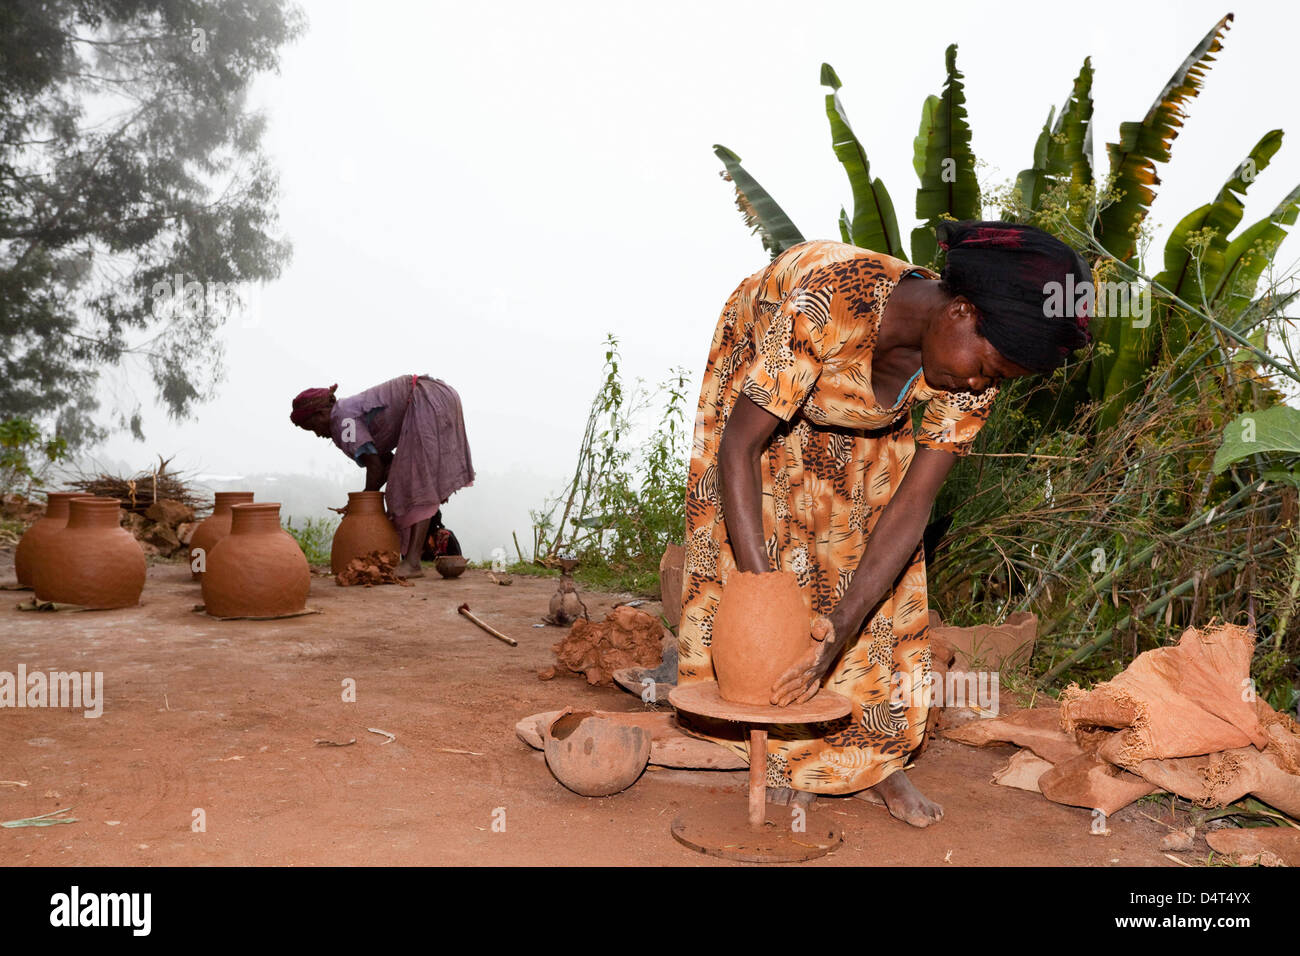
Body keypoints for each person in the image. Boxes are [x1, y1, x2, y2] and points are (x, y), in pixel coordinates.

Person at [678, 220, 1091, 827]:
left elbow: (913, 503)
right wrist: (765, 601)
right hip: (769, 352)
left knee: (863, 560)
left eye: (996, 380)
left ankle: (873, 757)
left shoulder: (965, 370)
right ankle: (780, 747)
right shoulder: (828, 302)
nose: (981, 385)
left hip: (872, 410)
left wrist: (840, 624)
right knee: (771, 554)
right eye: (987, 367)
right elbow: (738, 449)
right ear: (959, 312)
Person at [289, 375, 475, 577]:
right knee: (406, 482)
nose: (318, 434)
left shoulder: (342, 420)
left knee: (420, 481)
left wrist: (363, 502)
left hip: (426, 399)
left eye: (314, 427)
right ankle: (412, 557)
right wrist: (364, 497)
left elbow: (375, 466)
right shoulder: (345, 414)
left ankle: (413, 562)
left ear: (321, 413)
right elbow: (387, 465)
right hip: (435, 396)